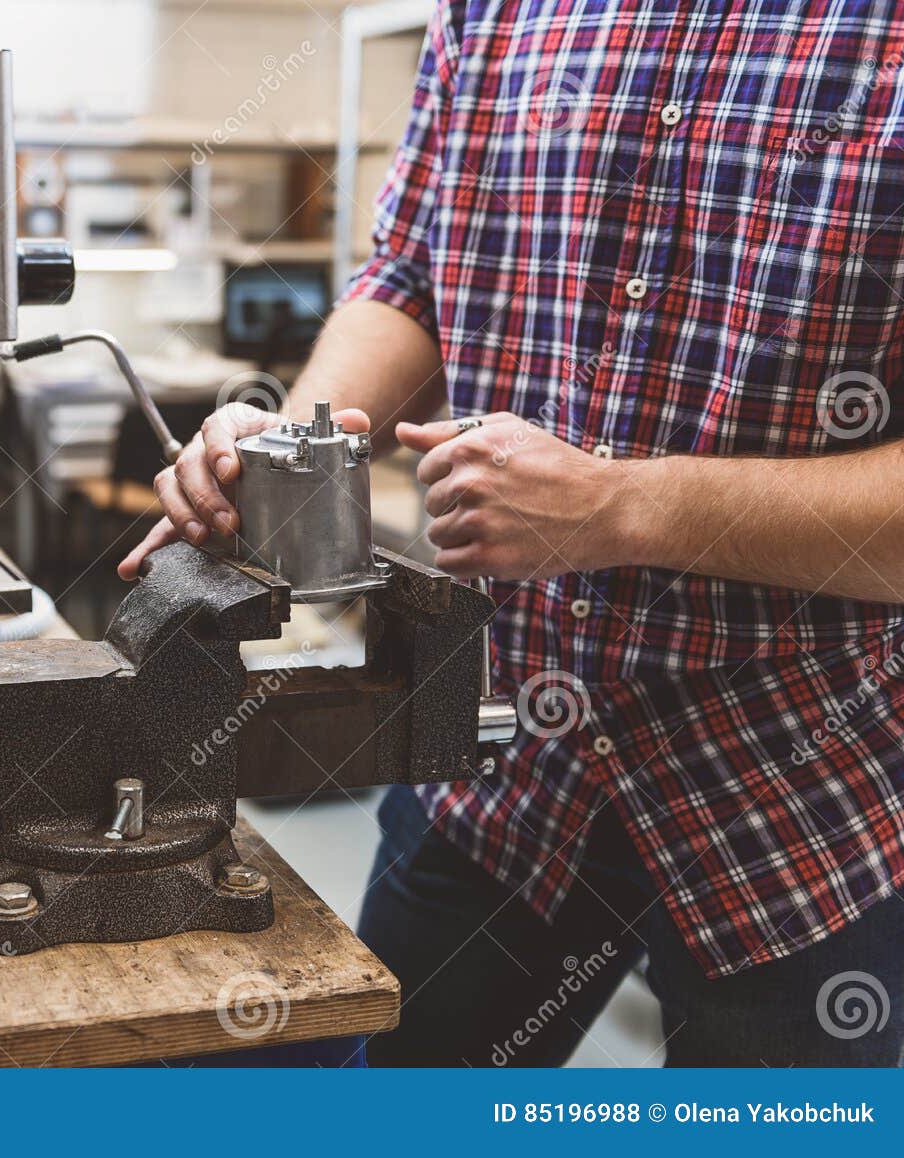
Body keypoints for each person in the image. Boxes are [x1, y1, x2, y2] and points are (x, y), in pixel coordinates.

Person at [121, 1, 904, 1066]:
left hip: (797, 793)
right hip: (495, 752)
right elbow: (404, 281)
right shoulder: (492, 15)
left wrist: (619, 505)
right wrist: (291, 439)